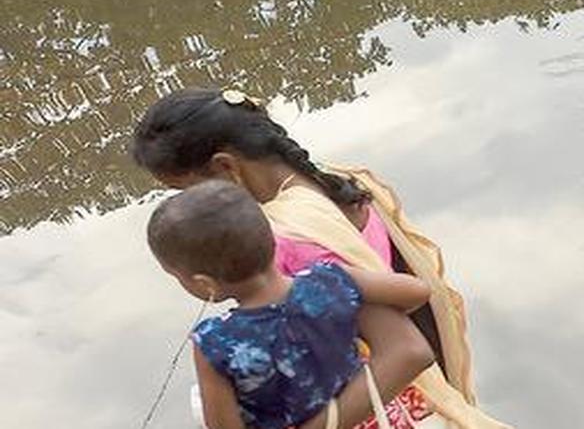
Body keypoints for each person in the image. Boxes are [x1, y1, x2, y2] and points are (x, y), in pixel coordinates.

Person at [132, 88, 511, 429]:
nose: (195, 207)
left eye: (187, 191)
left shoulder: (286, 241)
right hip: (416, 400)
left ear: (225, 167)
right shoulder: (341, 180)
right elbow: (410, 297)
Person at [147, 180, 434, 429]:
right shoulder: (331, 280)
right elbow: (418, 292)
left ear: (204, 283)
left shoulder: (214, 343)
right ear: (272, 241)